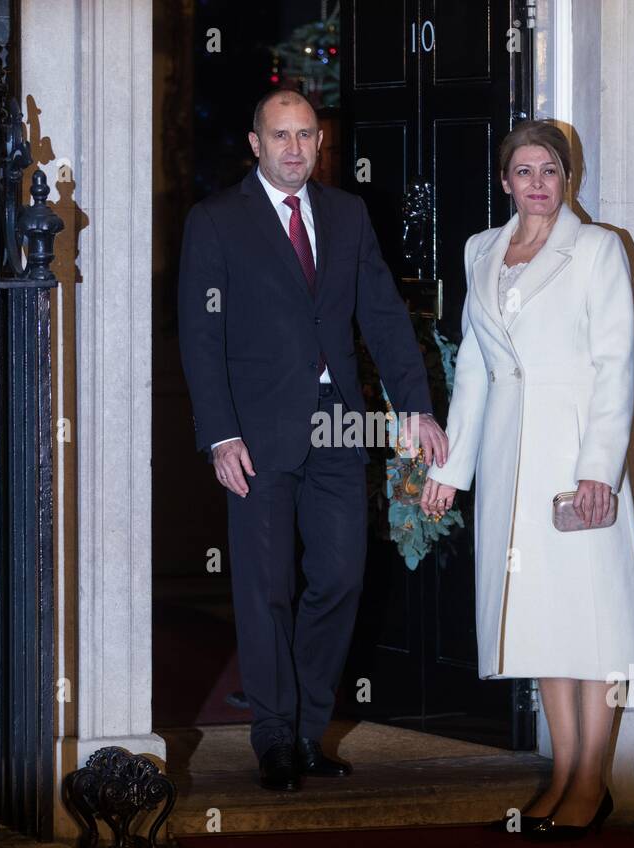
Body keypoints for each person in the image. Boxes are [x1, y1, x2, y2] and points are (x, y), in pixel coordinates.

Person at [178, 88, 448, 791]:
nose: (294, 148)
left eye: (306, 135)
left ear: (320, 142)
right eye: (280, 136)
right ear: (255, 143)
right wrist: (220, 436)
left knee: (340, 577)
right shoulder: (215, 222)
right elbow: (201, 339)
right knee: (266, 588)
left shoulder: (347, 214)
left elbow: (384, 315)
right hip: (256, 432)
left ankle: (306, 729)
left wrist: (414, 407)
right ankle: (273, 736)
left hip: (339, 424)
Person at [421, 121, 634, 840]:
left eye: (549, 170)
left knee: (597, 618)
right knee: (545, 620)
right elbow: (473, 369)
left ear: (568, 178)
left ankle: (593, 778)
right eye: (523, 172)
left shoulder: (598, 249)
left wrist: (598, 470)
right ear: (505, 181)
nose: (536, 184)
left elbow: (618, 366)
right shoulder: (480, 251)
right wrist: (451, 469)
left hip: (575, 457)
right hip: (507, 460)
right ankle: (560, 772)